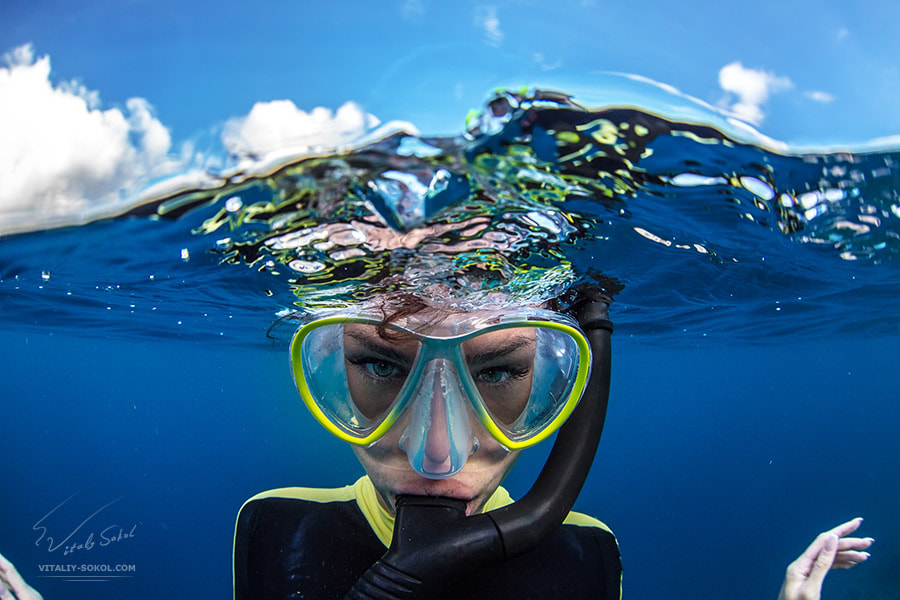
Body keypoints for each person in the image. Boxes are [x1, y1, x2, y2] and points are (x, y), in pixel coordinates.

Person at [231, 290, 875, 600]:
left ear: (557, 389)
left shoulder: (585, 554)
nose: (438, 456)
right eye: (380, 366)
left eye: (498, 372)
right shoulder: (277, 529)